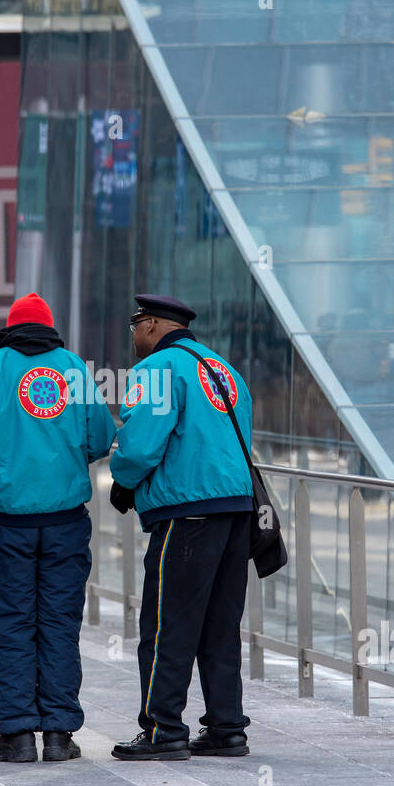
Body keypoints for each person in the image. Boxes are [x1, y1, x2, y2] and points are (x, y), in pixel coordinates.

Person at [0, 293, 115, 763]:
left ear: (10, 329)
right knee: (60, 625)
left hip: (3, 525)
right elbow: (102, 437)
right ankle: (60, 735)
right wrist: (63, 457)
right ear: (51, 328)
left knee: (10, 626)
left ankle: (18, 735)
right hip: (65, 522)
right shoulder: (74, 369)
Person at [107, 294, 255, 761]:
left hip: (187, 512)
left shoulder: (156, 369)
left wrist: (122, 481)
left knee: (167, 624)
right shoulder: (223, 369)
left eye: (134, 327)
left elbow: (140, 443)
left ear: (150, 325)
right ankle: (227, 728)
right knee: (219, 624)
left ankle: (162, 730)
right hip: (237, 510)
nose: (133, 337)